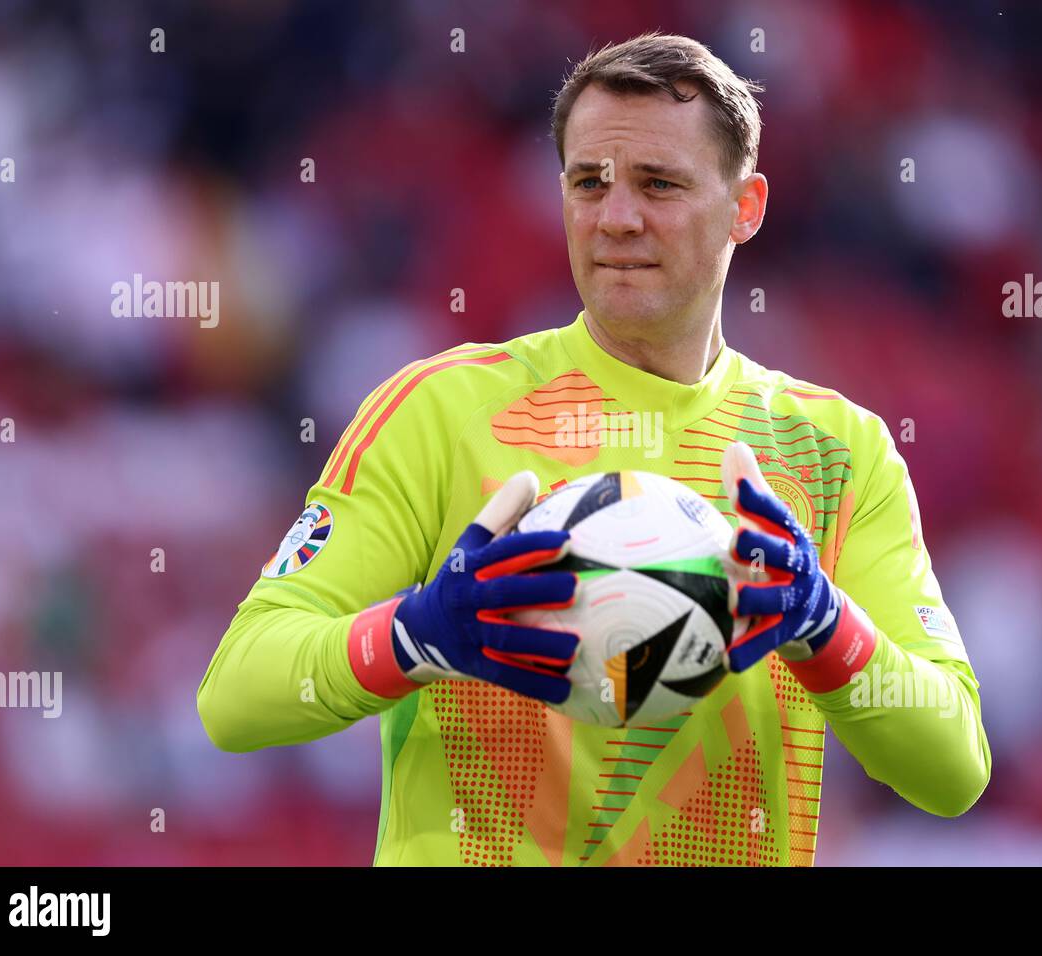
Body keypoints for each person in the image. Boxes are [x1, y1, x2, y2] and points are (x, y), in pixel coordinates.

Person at [197, 32, 990, 866]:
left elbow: (955, 768)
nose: (616, 217)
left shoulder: (840, 451)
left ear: (745, 207)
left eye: (659, 184)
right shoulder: (440, 408)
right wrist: (415, 637)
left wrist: (825, 626)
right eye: (588, 183)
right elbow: (237, 694)